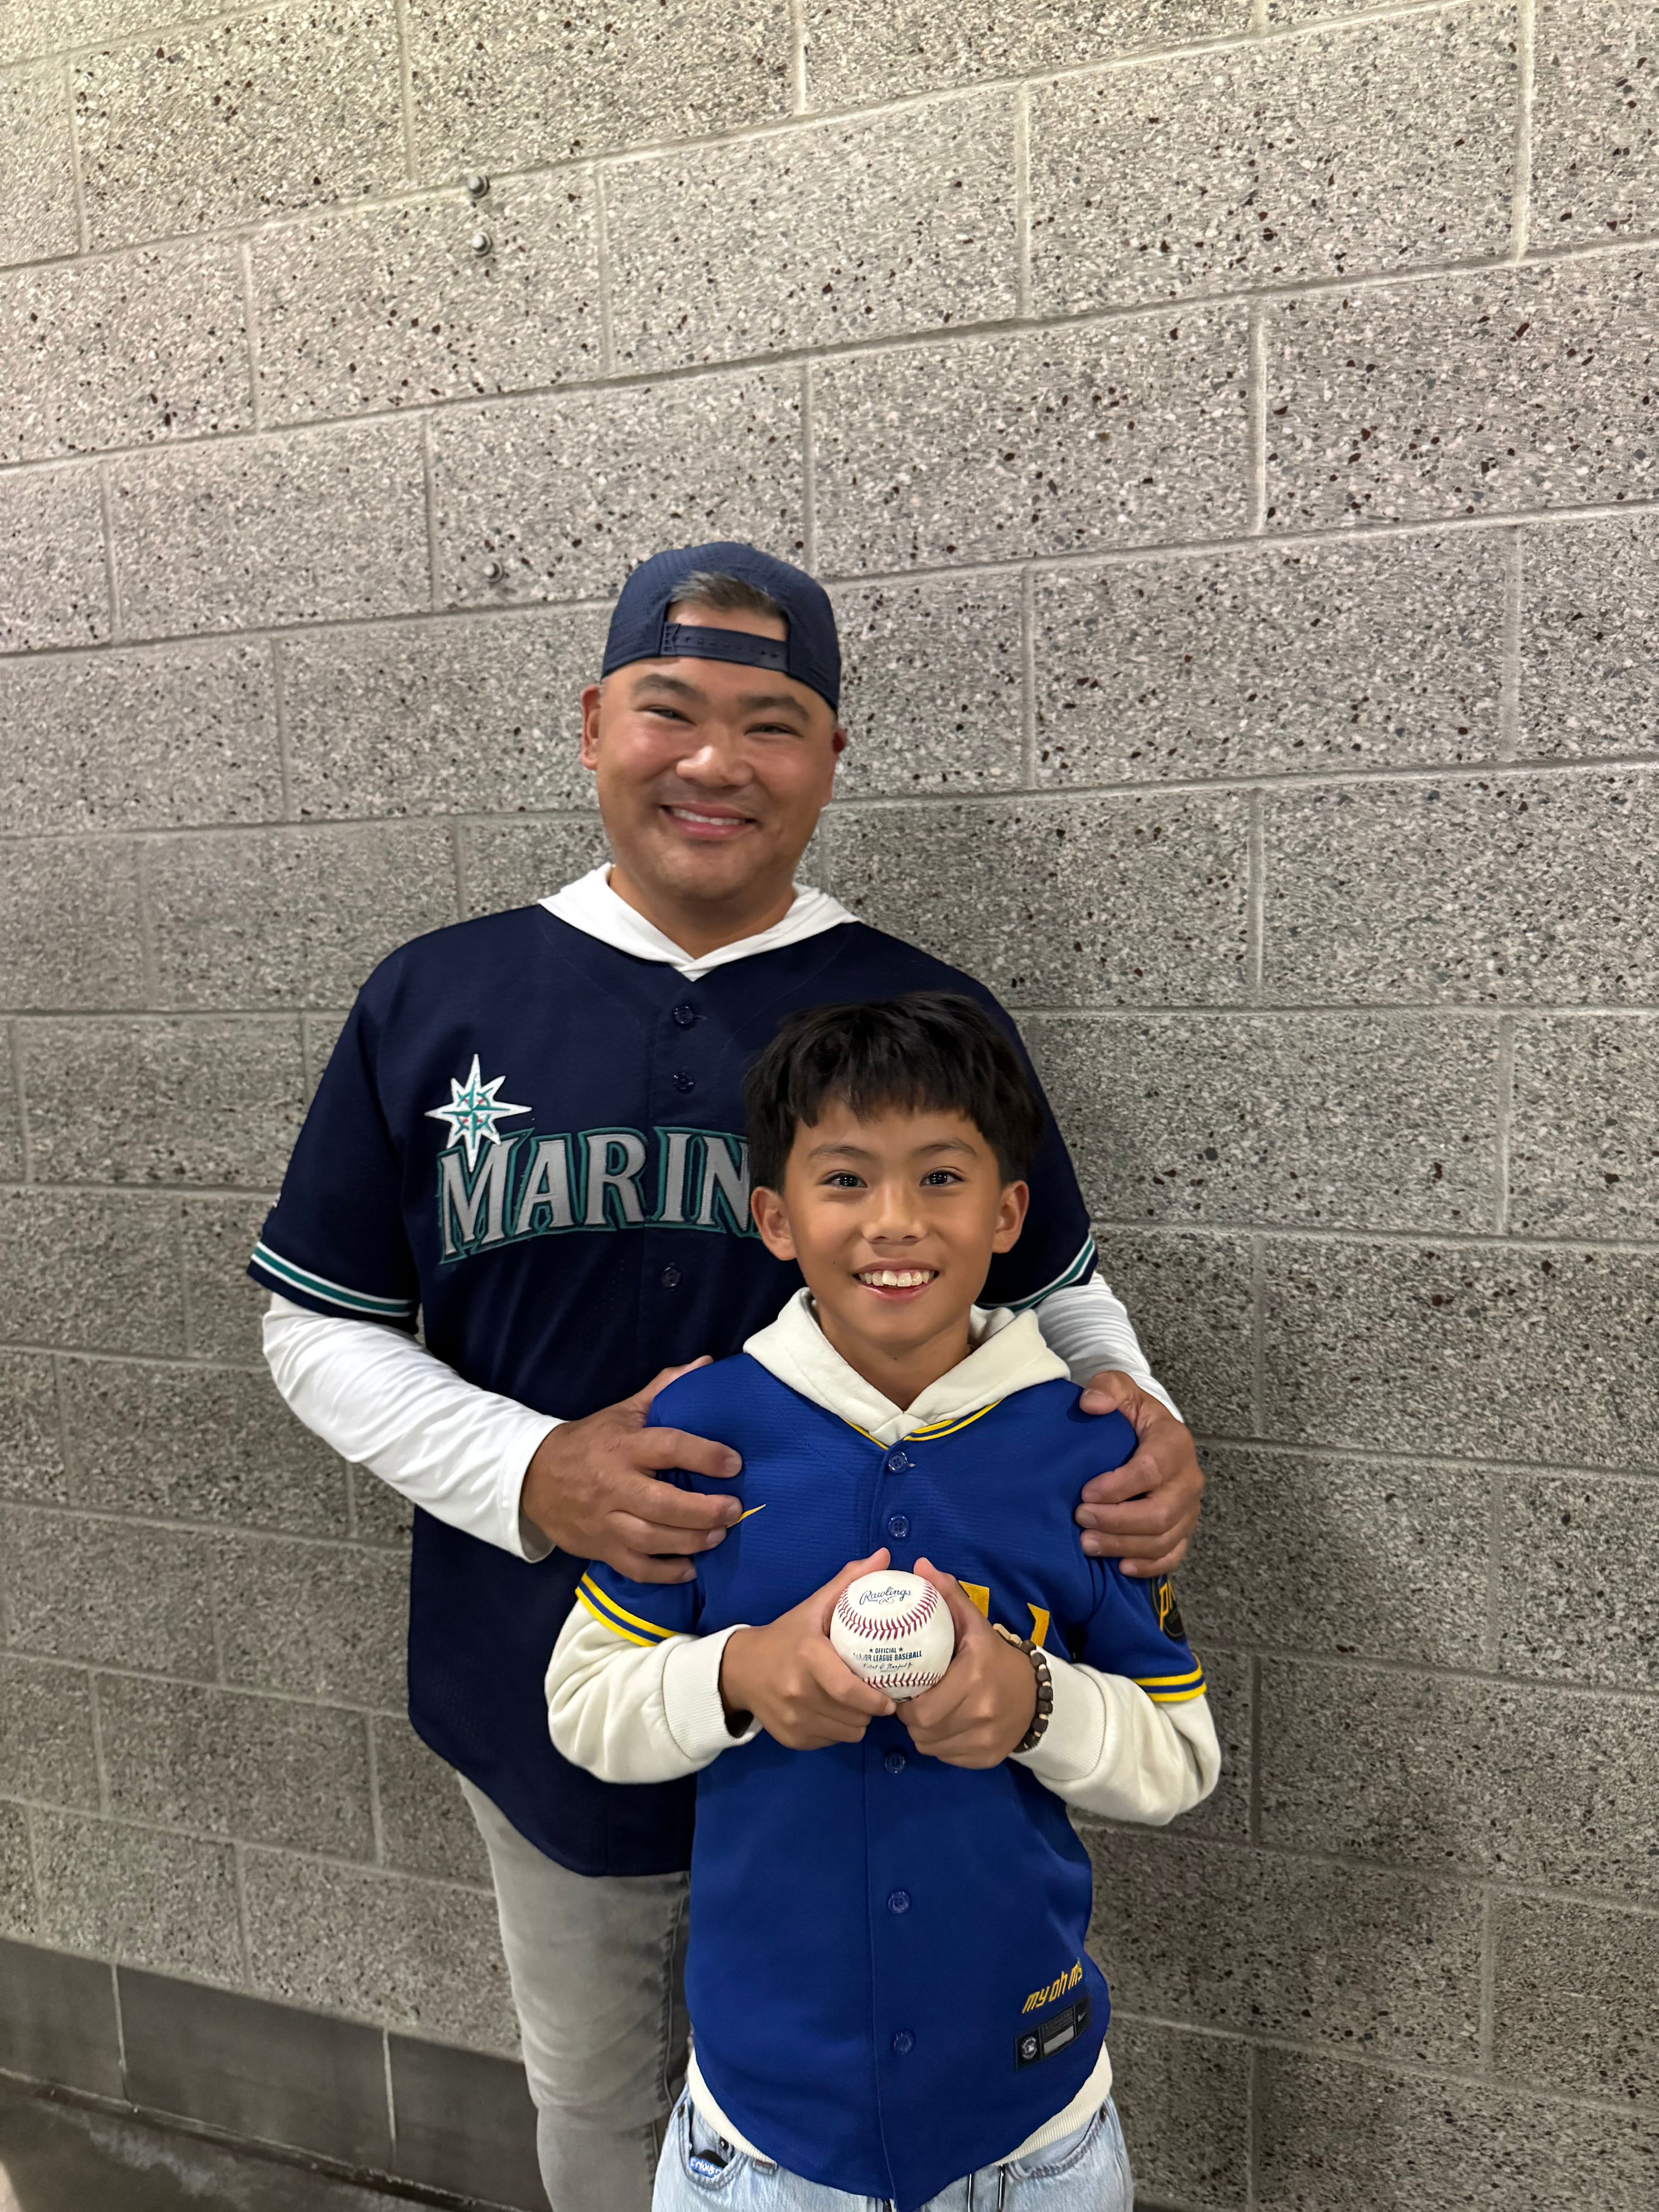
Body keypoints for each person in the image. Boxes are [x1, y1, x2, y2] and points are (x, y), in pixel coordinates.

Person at [253, 543, 1207, 2212]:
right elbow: (314, 1322)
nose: (713, 761)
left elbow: (1060, 1292)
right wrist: (536, 1467)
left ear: (829, 755)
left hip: (901, 1717)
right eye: (667, 710)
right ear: (591, 724)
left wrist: (1147, 1426)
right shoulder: (437, 994)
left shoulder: (915, 1008)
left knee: (908, 2058)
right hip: (565, 1679)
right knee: (616, 2101)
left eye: (770, 721)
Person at [548, 991, 1219, 2211]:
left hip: (1036, 2130)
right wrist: (741, 1676)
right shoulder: (703, 1435)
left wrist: (1030, 1704)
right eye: (845, 1180)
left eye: (943, 1177)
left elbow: (1178, 1756)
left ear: (1009, 1212)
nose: (895, 1223)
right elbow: (583, 1707)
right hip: (759, 2140)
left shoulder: (1086, 1453)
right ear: (774, 1218)